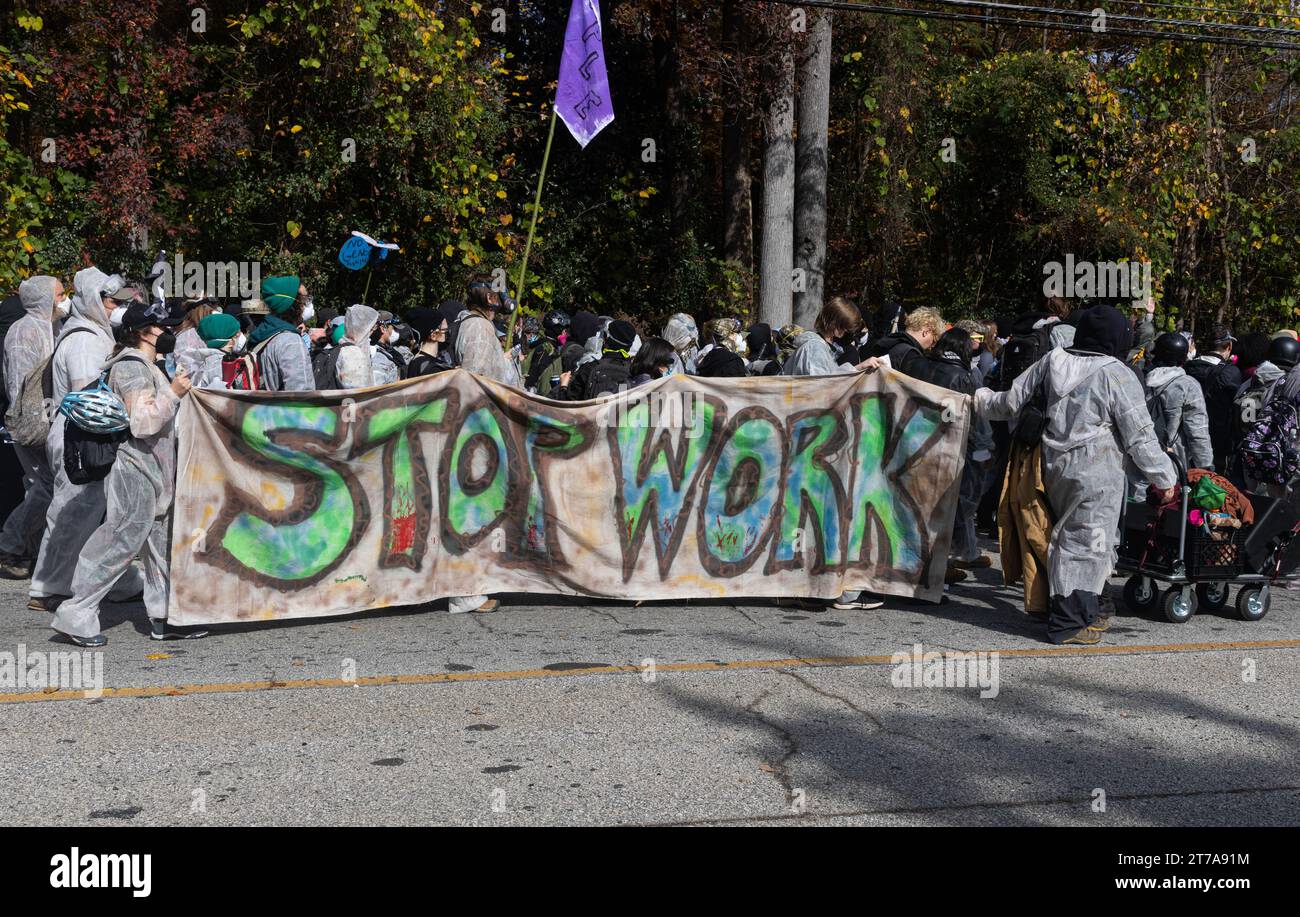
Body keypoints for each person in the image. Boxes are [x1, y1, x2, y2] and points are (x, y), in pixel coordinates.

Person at [976, 305, 1178, 645]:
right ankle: (1069, 623)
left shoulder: (1051, 361)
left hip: (1050, 466)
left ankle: (1067, 606)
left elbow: (1009, 403)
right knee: (1085, 544)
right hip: (1096, 472)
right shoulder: (1116, 373)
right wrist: (1165, 478)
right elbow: (1140, 435)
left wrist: (975, 399)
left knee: (1059, 537)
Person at [51, 300, 204, 647]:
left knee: (160, 546)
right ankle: (76, 612)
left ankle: (165, 617)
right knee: (119, 542)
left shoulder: (149, 365)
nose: (170, 332)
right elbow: (143, 422)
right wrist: (173, 392)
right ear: (143, 332)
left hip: (153, 469)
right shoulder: (131, 368)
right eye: (163, 327)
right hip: (135, 469)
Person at [28, 268, 145, 613]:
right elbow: (87, 396)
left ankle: (118, 582)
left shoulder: (93, 333)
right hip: (80, 436)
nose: (117, 308)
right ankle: (48, 586)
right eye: (112, 301)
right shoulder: (84, 340)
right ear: (95, 300)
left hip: (87, 433)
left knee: (100, 513)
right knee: (73, 513)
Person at [783, 299, 885, 611]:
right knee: (812, 516)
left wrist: (855, 368)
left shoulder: (818, 349)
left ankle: (814, 585)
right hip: (812, 444)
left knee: (813, 516)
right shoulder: (814, 349)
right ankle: (807, 586)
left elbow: (824, 381)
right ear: (837, 326)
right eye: (846, 329)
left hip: (811, 443)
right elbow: (823, 390)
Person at [916, 326, 995, 577]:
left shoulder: (924, 368)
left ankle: (960, 555)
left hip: (924, 445)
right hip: (957, 448)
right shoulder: (963, 376)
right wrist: (984, 448)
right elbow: (974, 417)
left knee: (930, 505)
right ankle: (943, 564)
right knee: (957, 504)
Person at [0, 276, 62, 578]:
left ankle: (29, 549)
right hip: (32, 421)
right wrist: (31, 418)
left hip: (48, 419)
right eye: (59, 294)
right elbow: (19, 382)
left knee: (39, 485)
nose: (64, 300)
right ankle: (10, 544)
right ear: (43, 298)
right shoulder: (23, 331)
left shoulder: (51, 326)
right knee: (47, 484)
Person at [1184, 323, 1241, 470]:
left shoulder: (1187, 367)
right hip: (1216, 442)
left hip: (1186, 437)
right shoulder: (1230, 373)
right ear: (1229, 346)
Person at [782, 297, 876, 376]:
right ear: (834, 324)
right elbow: (821, 384)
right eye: (846, 329)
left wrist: (860, 367)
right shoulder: (814, 348)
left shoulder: (823, 347)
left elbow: (830, 376)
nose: (848, 333)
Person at [249, 275, 313, 391]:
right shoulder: (291, 342)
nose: (306, 305)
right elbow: (302, 395)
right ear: (292, 302)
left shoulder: (259, 334)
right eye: (304, 299)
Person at [455, 278, 521, 389]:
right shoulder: (480, 326)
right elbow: (476, 377)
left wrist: (502, 359)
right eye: (497, 296)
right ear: (489, 298)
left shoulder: (468, 320)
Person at [556, 319, 637, 399]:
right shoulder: (634, 372)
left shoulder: (590, 368)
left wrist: (563, 386)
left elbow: (568, 404)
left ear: (606, 339)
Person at [865, 305, 943, 378]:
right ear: (926, 332)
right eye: (934, 341)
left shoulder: (884, 342)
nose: (932, 346)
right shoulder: (911, 354)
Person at [175, 312, 244, 389]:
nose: (240, 335)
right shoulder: (222, 365)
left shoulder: (196, 358)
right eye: (237, 333)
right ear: (230, 338)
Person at [522, 309, 570, 395]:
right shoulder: (546, 349)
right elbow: (534, 379)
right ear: (556, 329)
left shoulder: (548, 345)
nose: (565, 334)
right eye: (564, 330)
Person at [332, 304, 379, 389]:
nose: (372, 332)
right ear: (364, 329)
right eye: (372, 328)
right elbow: (357, 392)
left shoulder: (340, 347)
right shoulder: (353, 354)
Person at [405, 307, 452, 378]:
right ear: (433, 335)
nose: (447, 332)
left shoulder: (416, 360)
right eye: (444, 330)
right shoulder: (432, 370)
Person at [371, 310, 406, 385]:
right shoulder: (376, 355)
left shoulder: (389, 350)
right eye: (394, 328)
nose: (397, 332)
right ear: (383, 328)